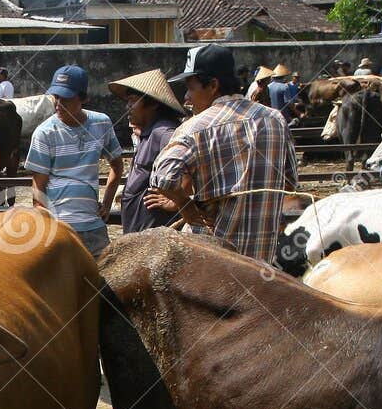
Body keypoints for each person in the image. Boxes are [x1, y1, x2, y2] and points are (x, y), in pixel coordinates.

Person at [143, 42, 298, 264]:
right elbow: (289, 182)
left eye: (191, 87)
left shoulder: (195, 128)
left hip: (212, 264)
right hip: (260, 262)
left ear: (213, 85)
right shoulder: (275, 120)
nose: (187, 97)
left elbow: (163, 178)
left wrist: (188, 210)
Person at [23, 64, 125, 258]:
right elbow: (38, 190)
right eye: (56, 97)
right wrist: (50, 227)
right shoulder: (44, 133)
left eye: (66, 99)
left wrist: (107, 202)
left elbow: (117, 165)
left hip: (93, 224)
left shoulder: (101, 123)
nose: (58, 104)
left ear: (84, 98)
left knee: (102, 281)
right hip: (60, 226)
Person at [107, 70, 186, 235]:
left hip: (154, 233)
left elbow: (189, 162)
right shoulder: (147, 132)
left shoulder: (163, 132)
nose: (128, 107)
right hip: (140, 229)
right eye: (128, 101)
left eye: (133, 101)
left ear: (153, 104)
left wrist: (176, 202)